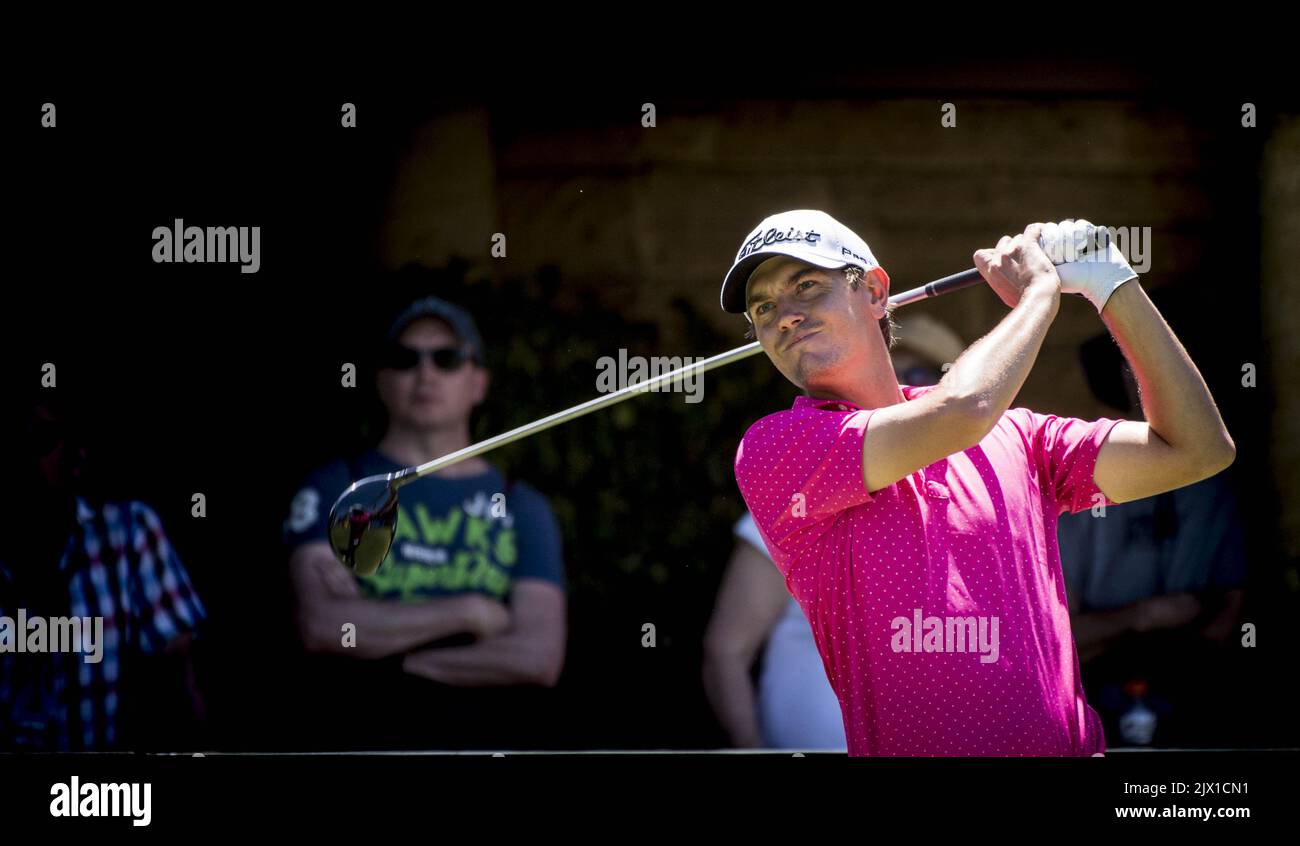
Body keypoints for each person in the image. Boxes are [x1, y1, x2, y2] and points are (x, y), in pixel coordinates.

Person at [719, 210, 1235, 756]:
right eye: (764, 307)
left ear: (875, 292)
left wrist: (1113, 285)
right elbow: (964, 408)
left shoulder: (1018, 435)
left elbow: (1197, 449)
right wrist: (1040, 295)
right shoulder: (776, 448)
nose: (786, 316)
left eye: (806, 286)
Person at [283, 295, 566, 750]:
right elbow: (322, 625)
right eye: (405, 358)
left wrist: (392, 661)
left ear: (478, 382)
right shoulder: (336, 487)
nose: (426, 373)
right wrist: (471, 612)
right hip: (358, 747)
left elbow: (537, 656)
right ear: (381, 379)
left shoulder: (521, 506)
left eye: (447, 358)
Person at [703, 317, 964, 750]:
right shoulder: (797, 491)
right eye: (887, 370)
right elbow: (726, 650)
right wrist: (750, 750)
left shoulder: (972, 496)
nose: (899, 387)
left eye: (917, 375)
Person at [1056, 333, 1247, 745]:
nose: (1153, 379)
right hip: (1096, 685)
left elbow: (1233, 608)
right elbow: (1059, 638)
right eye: (1135, 365)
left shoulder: (1216, 477)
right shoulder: (1081, 483)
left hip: (1195, 682)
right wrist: (1140, 617)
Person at [0, 386, 207, 750]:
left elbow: (180, 679)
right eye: (45, 439)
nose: (71, 457)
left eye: (75, 439)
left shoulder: (128, 533)